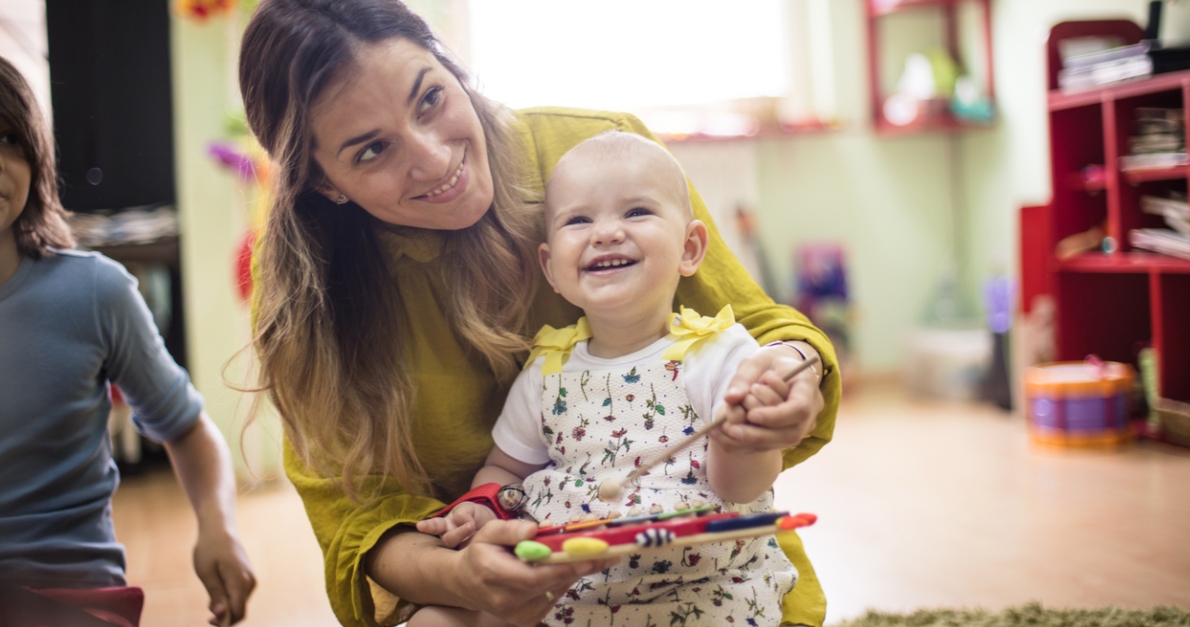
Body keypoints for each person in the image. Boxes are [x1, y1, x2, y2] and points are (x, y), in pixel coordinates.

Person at [238, 1, 841, 625]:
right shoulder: (307, 295)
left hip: (707, 578)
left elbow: (765, 332)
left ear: (452, 67)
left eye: (430, 100)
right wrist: (462, 568)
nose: (434, 158)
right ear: (324, 182)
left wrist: (785, 376)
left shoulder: (600, 151)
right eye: (370, 151)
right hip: (509, 591)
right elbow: (357, 518)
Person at [412, 131, 808, 626]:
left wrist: (740, 440)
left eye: (636, 212)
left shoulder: (720, 353)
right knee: (433, 620)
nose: (605, 233)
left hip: (701, 594)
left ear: (689, 248)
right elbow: (506, 471)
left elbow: (742, 487)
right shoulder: (546, 370)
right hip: (566, 594)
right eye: (579, 220)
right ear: (550, 267)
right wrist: (485, 508)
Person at [0, 55, 256, 626]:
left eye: (8, 138)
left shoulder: (93, 291)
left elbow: (186, 428)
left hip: (69, 603)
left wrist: (218, 528)